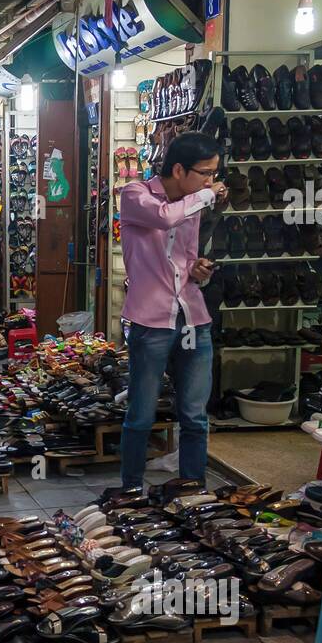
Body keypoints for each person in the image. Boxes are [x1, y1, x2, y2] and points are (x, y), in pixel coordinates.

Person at [110, 132, 227, 497]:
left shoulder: (191, 206)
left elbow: (187, 258)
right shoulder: (135, 195)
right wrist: (206, 195)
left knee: (194, 415)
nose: (210, 180)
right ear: (179, 170)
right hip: (151, 320)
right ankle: (131, 490)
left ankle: (193, 491)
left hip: (192, 317)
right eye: (205, 173)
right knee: (141, 414)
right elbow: (163, 218)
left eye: (213, 174)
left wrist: (198, 269)